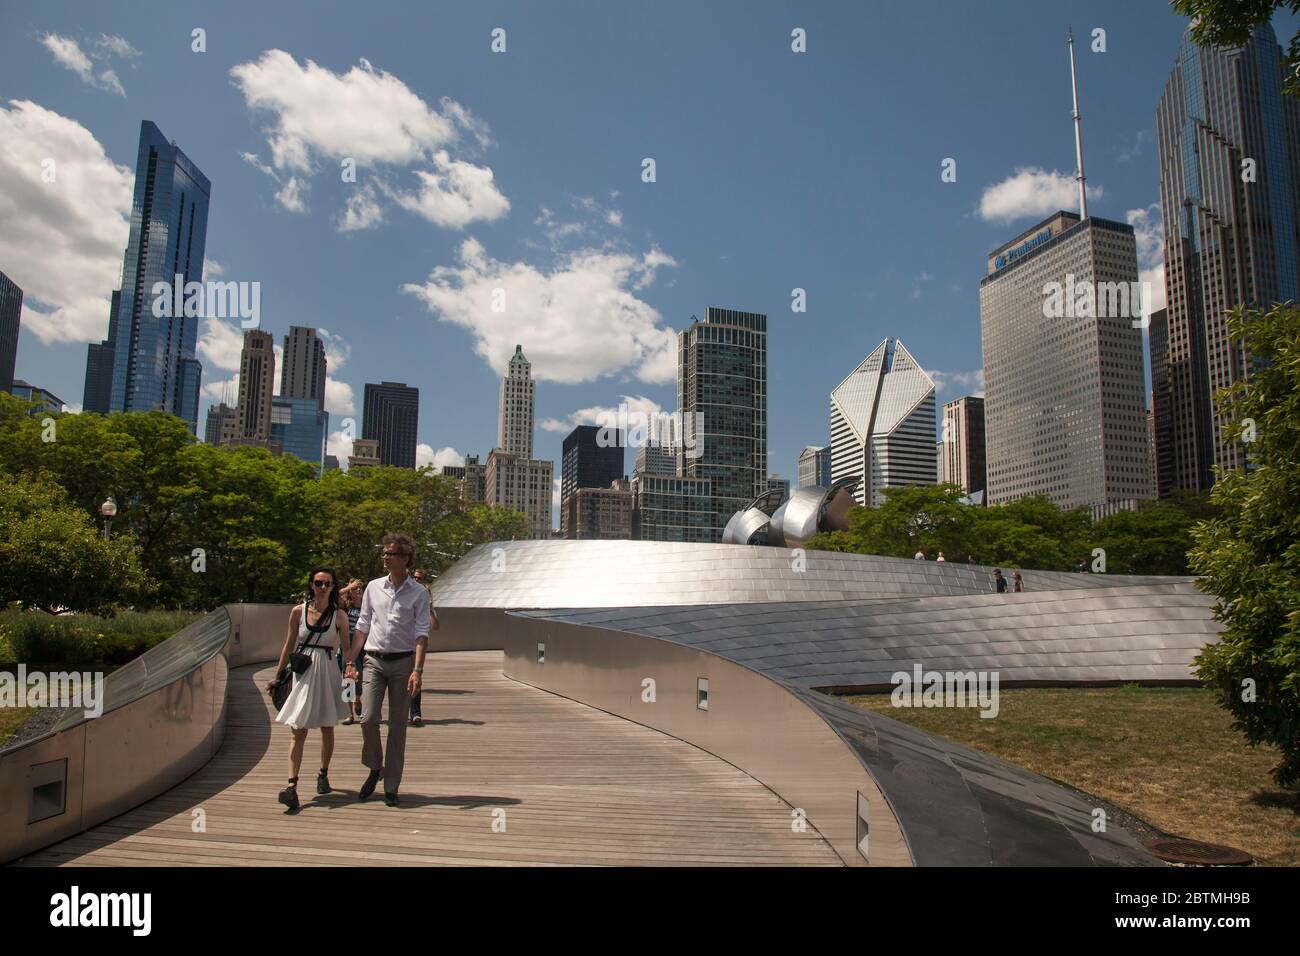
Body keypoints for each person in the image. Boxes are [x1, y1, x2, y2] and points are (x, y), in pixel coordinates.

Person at [344, 533, 439, 806]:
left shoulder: (419, 593)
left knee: (398, 726)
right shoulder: (374, 587)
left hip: (403, 662)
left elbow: (422, 632)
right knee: (368, 718)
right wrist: (351, 660)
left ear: (405, 559)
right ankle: (375, 766)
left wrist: (418, 670)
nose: (385, 557)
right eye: (384, 553)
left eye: (390, 554)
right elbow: (363, 624)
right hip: (373, 659)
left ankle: (392, 785)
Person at [267, 567, 352, 811]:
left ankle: (323, 773)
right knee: (298, 729)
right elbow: (289, 644)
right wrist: (278, 674)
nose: (323, 588)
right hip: (302, 672)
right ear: (311, 585)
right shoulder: (298, 612)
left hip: (326, 670)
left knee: (327, 726)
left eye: (327, 584)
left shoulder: (340, 617)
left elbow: (346, 650)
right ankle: (292, 785)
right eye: (318, 583)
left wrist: (350, 671)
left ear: (334, 586)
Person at [408, 569, 433, 726]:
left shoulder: (423, 596)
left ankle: (415, 713)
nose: (416, 580)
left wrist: (430, 609)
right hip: (397, 645)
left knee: (415, 678)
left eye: (419, 578)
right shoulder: (403, 594)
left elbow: (434, 626)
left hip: (414, 646)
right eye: (414, 578)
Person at [339, 579, 366, 725]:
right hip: (348, 643)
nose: (358, 591)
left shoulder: (367, 605)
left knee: (363, 675)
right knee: (348, 677)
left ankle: (358, 699)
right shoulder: (346, 606)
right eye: (355, 589)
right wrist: (348, 586)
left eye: (360, 588)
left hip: (364, 643)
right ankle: (349, 713)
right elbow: (334, 597)